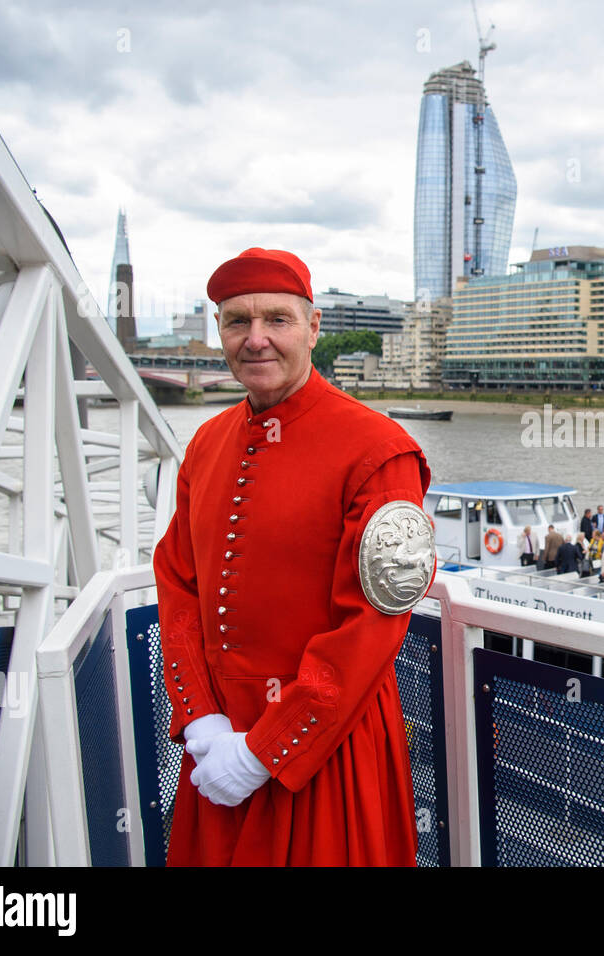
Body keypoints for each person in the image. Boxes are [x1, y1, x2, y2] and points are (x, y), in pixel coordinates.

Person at [153, 246, 435, 866]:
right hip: (218, 741)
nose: (256, 339)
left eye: (277, 319)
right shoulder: (204, 443)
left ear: (313, 328)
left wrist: (265, 751)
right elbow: (177, 580)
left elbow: (372, 623)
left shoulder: (380, 451)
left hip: (324, 749)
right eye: (237, 321)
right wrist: (202, 722)